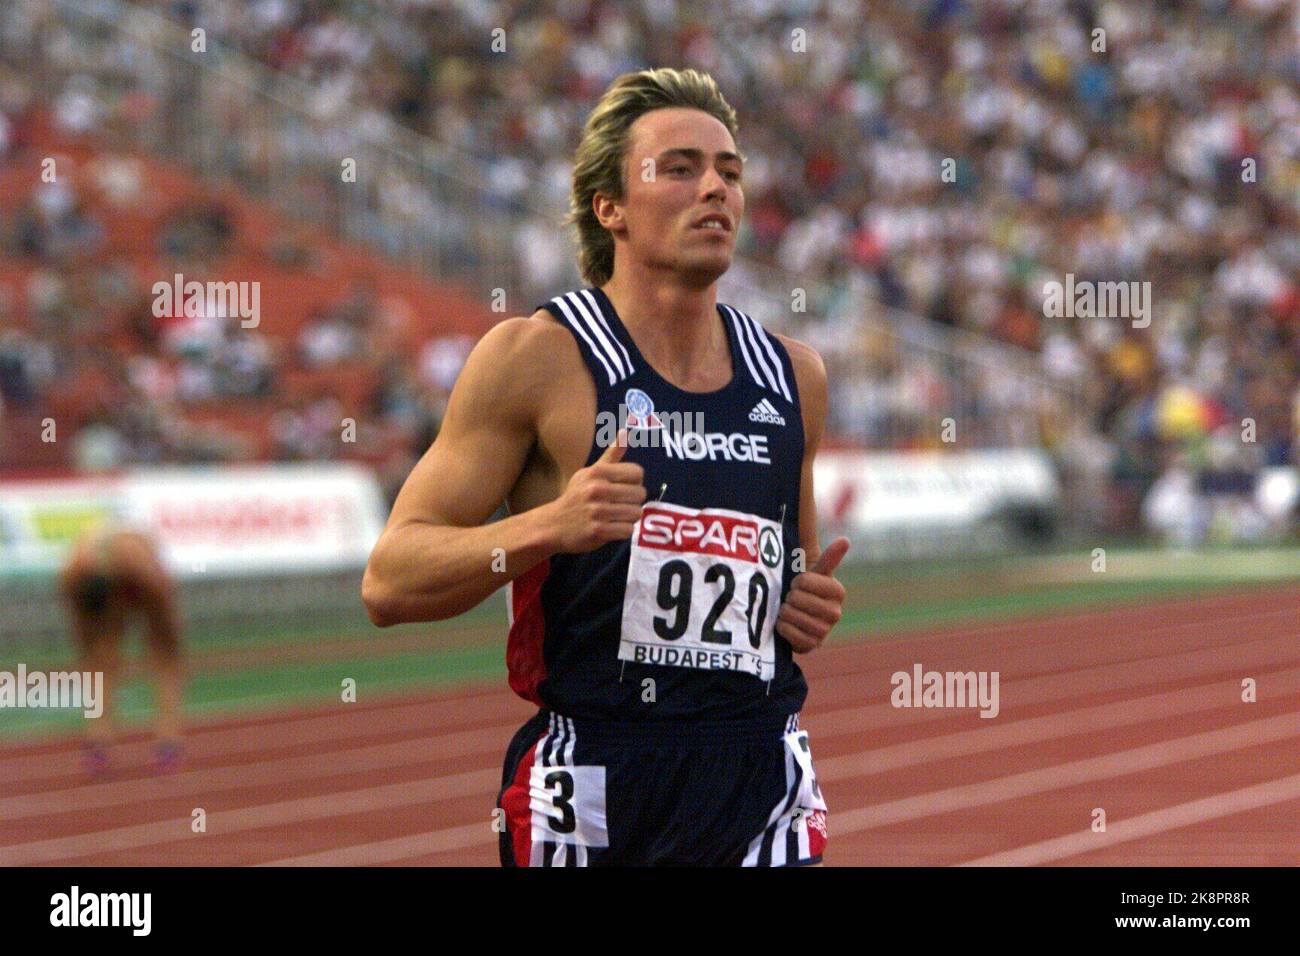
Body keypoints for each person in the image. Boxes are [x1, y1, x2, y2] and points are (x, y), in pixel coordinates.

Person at [363, 67, 849, 865]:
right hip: (592, 781)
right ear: (609, 207)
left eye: (730, 171)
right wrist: (551, 525)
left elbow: (788, 580)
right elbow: (388, 581)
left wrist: (804, 604)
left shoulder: (793, 378)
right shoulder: (536, 359)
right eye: (681, 168)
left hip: (759, 773)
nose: (715, 190)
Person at [58, 522, 185, 775]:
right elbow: (84, 638)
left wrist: (165, 647)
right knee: (99, 661)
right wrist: (95, 650)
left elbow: (166, 639)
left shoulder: (143, 571)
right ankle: (99, 738)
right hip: (100, 583)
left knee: (164, 659)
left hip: (141, 580)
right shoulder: (73, 576)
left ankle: (168, 739)